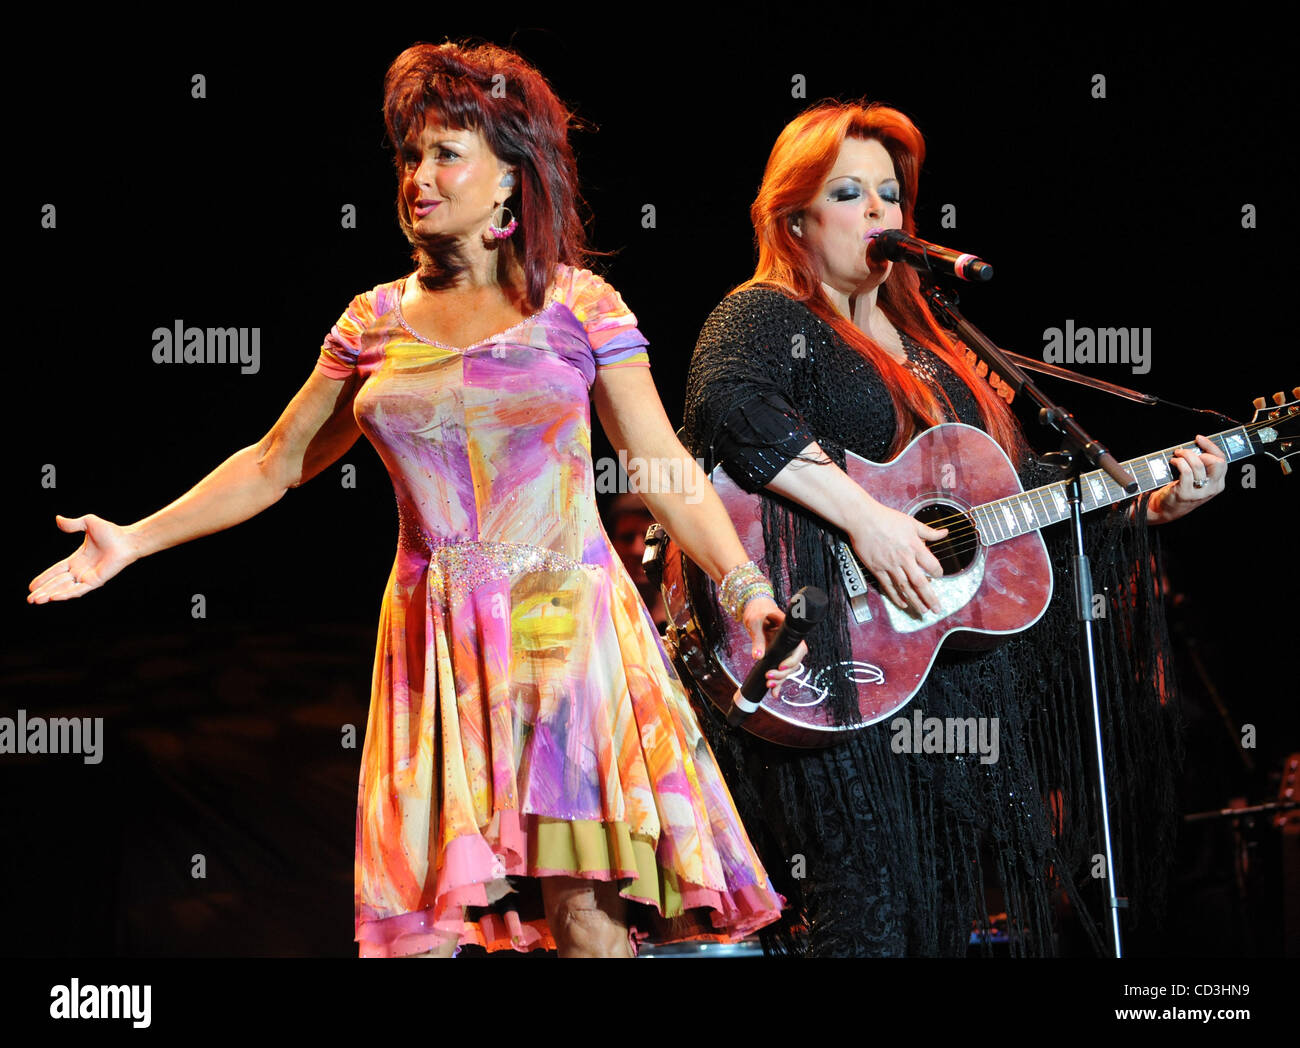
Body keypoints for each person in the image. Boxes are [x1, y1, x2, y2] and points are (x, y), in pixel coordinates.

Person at [26, 41, 806, 959]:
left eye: (445, 153)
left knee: (585, 903)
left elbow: (660, 463)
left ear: (512, 179)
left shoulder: (578, 307)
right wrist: (133, 541)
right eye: (409, 156)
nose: (418, 176)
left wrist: (746, 587)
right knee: (421, 918)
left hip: (559, 617)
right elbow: (275, 461)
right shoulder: (373, 321)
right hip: (431, 635)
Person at [679, 100, 1227, 957]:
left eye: (890, 196)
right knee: (867, 909)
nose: (879, 214)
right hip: (827, 656)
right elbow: (731, 409)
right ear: (794, 217)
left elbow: (1014, 490)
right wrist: (869, 525)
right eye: (850, 193)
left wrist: (1147, 500)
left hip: (936, 674)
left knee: (947, 910)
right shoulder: (765, 315)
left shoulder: (931, 344)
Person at [604, 493, 667, 631]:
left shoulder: (692, 617)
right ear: (610, 544)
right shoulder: (599, 617)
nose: (636, 550)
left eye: (649, 540)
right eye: (627, 538)